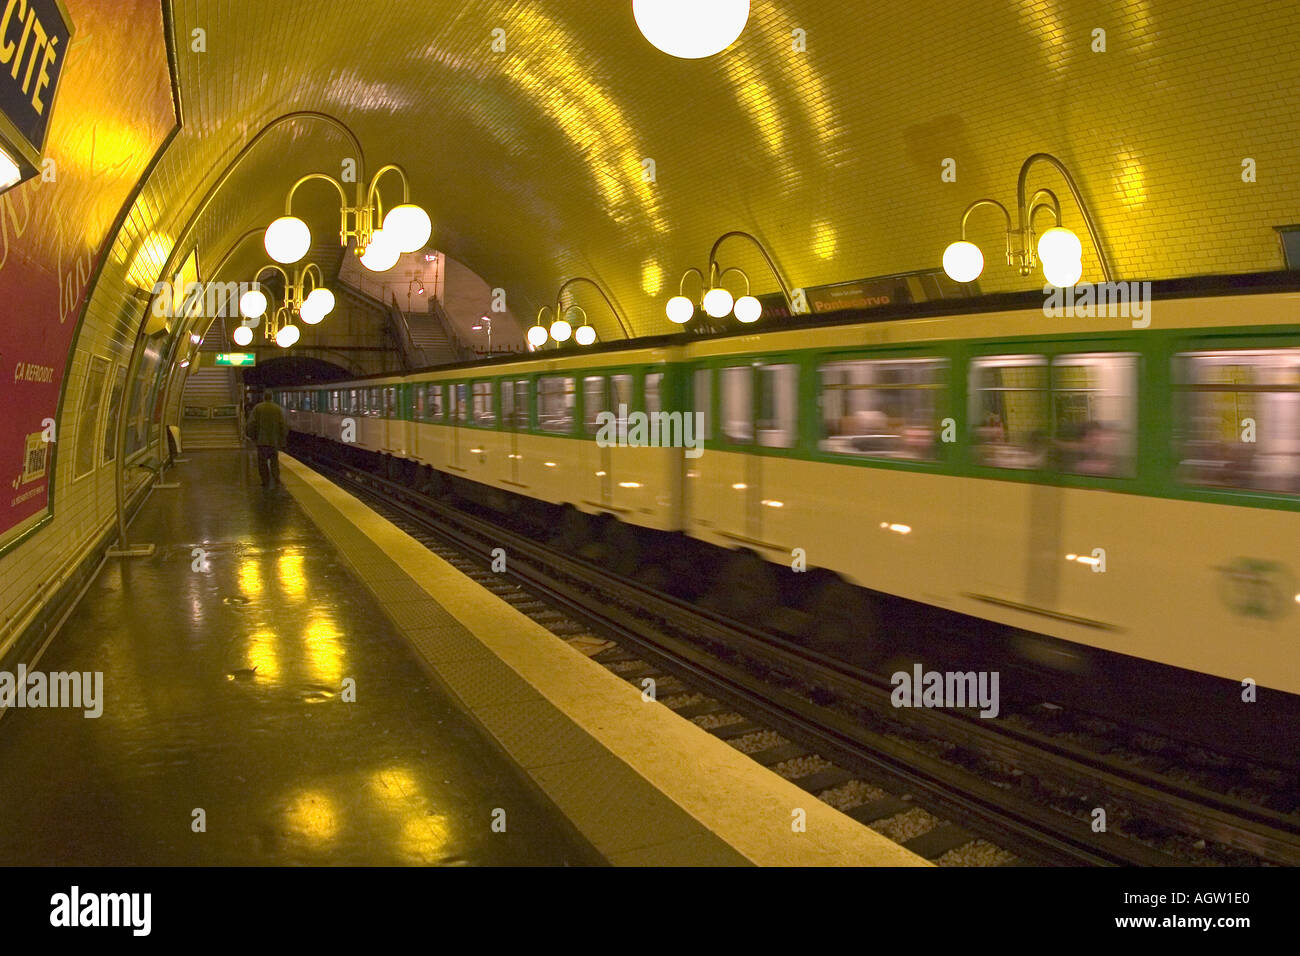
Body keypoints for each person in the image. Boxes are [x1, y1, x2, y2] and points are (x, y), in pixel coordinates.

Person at [246, 389, 288, 490]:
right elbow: (283, 425)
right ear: (272, 397)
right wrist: (282, 439)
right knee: (274, 462)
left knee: (262, 463)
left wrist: (253, 437)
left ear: (264, 397)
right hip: (274, 442)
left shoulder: (258, 408)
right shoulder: (277, 409)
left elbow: (251, 424)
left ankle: (265, 482)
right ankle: (276, 479)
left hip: (261, 441)